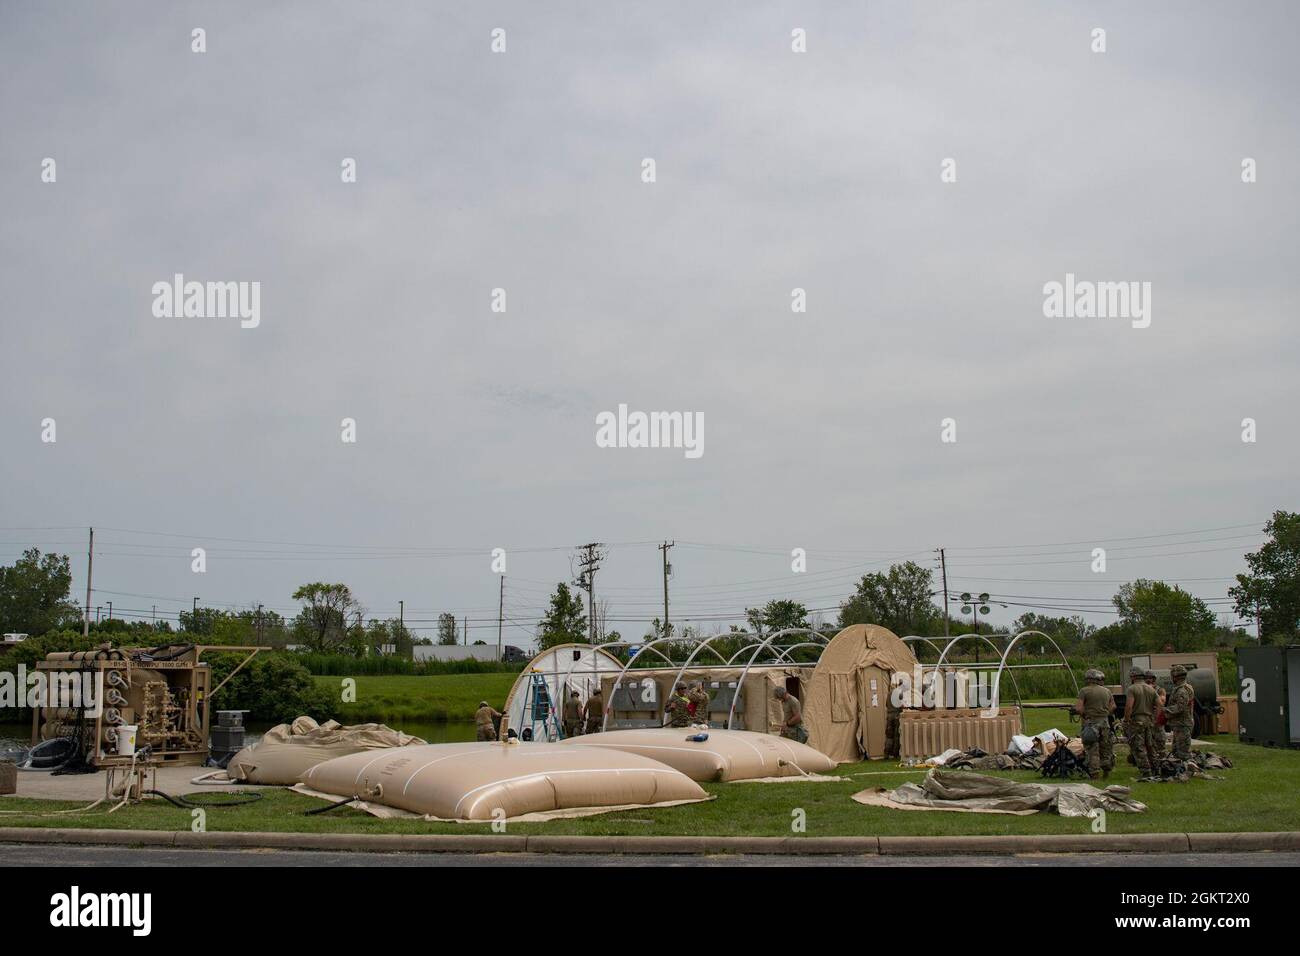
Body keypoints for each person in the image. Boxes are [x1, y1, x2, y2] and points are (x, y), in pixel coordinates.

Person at [1073, 668, 1115, 779]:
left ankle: (1094, 773)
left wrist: (1084, 715)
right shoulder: (1106, 691)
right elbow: (1113, 707)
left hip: (1091, 723)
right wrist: (1105, 714)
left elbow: (1078, 708)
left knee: (1092, 749)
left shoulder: (1084, 691)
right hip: (1105, 723)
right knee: (1106, 747)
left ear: (1088, 679)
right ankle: (1106, 772)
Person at [1124, 666, 1157, 776]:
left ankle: (1145, 771)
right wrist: (1155, 717)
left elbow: (1129, 706)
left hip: (1137, 721)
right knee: (1150, 745)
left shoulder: (1132, 689)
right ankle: (1155, 768)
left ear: (1132, 676)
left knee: (1139, 746)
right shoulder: (1151, 688)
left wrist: (1127, 720)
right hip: (1149, 720)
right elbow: (1160, 705)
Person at [1163, 664, 1196, 760]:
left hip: (1183, 724)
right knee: (1176, 751)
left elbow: (1180, 707)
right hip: (1180, 723)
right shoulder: (1185, 687)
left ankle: (1187, 770)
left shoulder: (1182, 691)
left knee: (1183, 752)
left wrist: (1165, 710)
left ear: (1175, 677)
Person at [1145, 669, 1167, 757]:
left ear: (1154, 679)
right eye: (1146, 678)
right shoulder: (1142, 689)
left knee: (1160, 737)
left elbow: (1162, 701)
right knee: (1148, 739)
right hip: (1147, 717)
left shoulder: (1160, 690)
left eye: (1150, 678)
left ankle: (1162, 754)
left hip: (1157, 717)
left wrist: (1152, 691)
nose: (1148, 680)